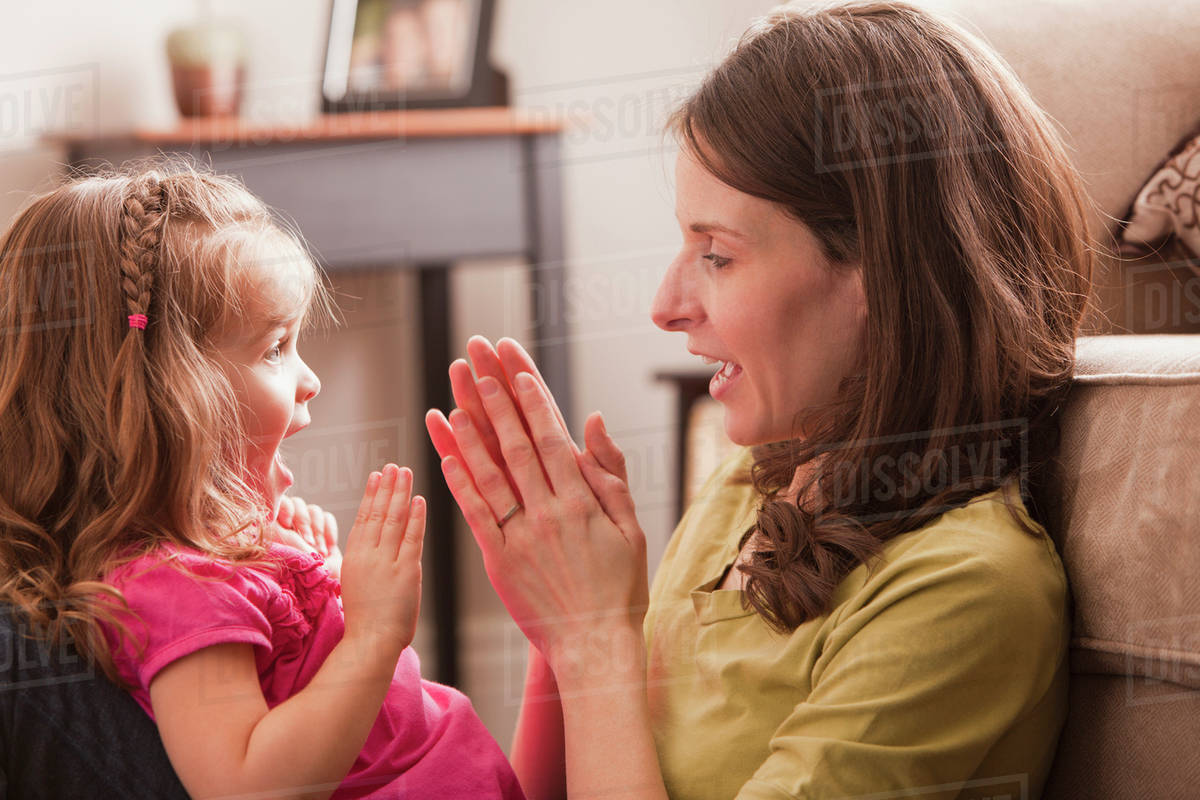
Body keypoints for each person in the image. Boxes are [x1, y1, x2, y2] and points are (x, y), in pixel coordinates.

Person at [426, 2, 1097, 799]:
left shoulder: (967, 590)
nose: (666, 303)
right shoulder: (748, 489)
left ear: (879, 276)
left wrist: (592, 641)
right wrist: (561, 625)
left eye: (717, 256)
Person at [0, 161, 525, 799]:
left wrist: (320, 598)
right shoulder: (179, 585)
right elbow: (248, 785)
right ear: (170, 393)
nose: (310, 380)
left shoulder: (210, 557)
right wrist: (371, 637)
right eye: (276, 348)